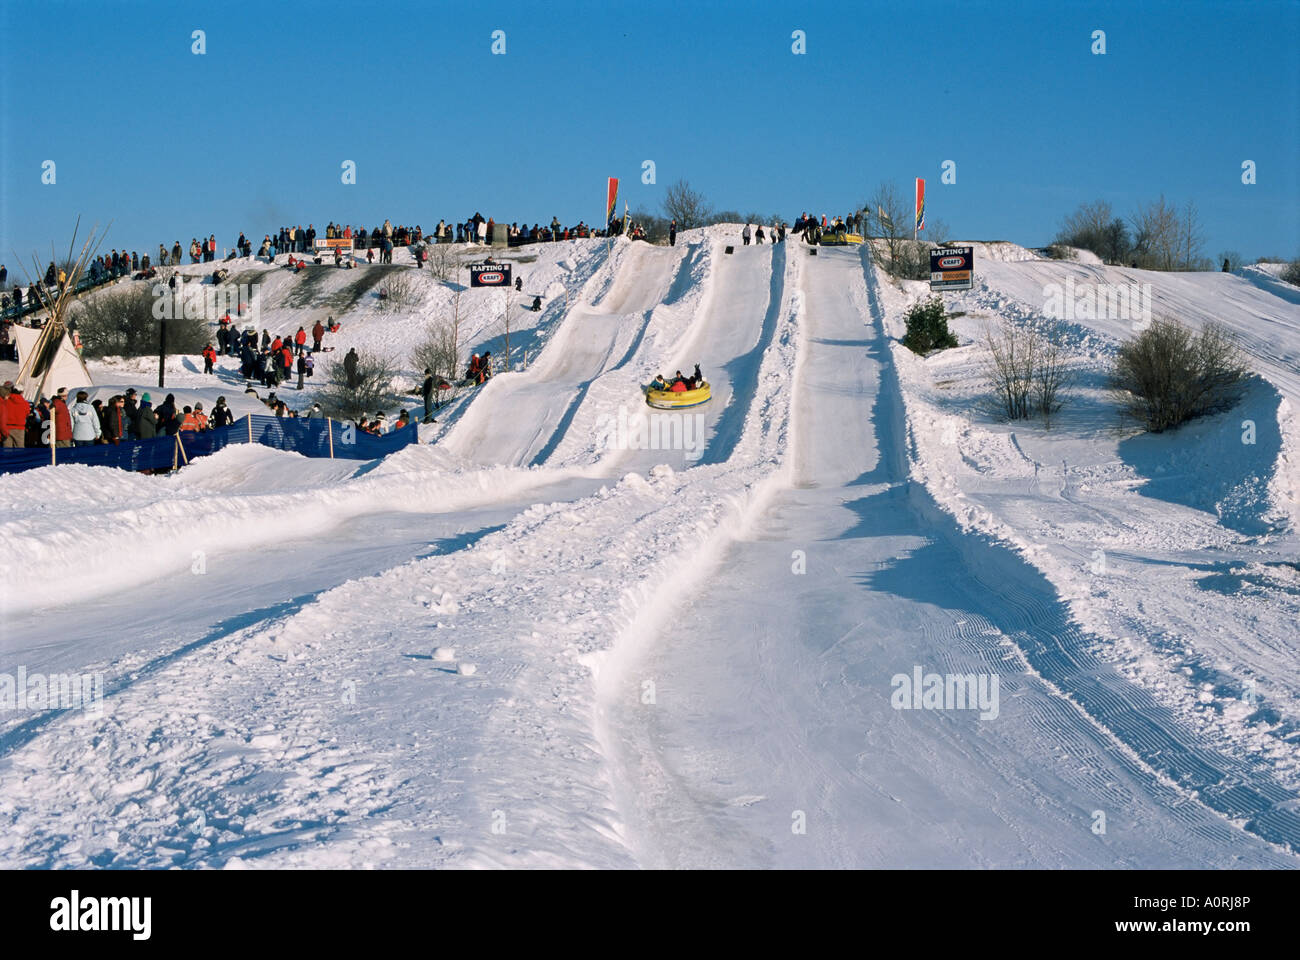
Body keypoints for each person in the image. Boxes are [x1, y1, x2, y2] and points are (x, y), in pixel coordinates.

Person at [1, 381, 30, 447]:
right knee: (19, 451)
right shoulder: (25, 403)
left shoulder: (6, 401)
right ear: (22, 392)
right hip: (19, 429)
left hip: (7, 428)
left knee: (7, 451)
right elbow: (27, 414)